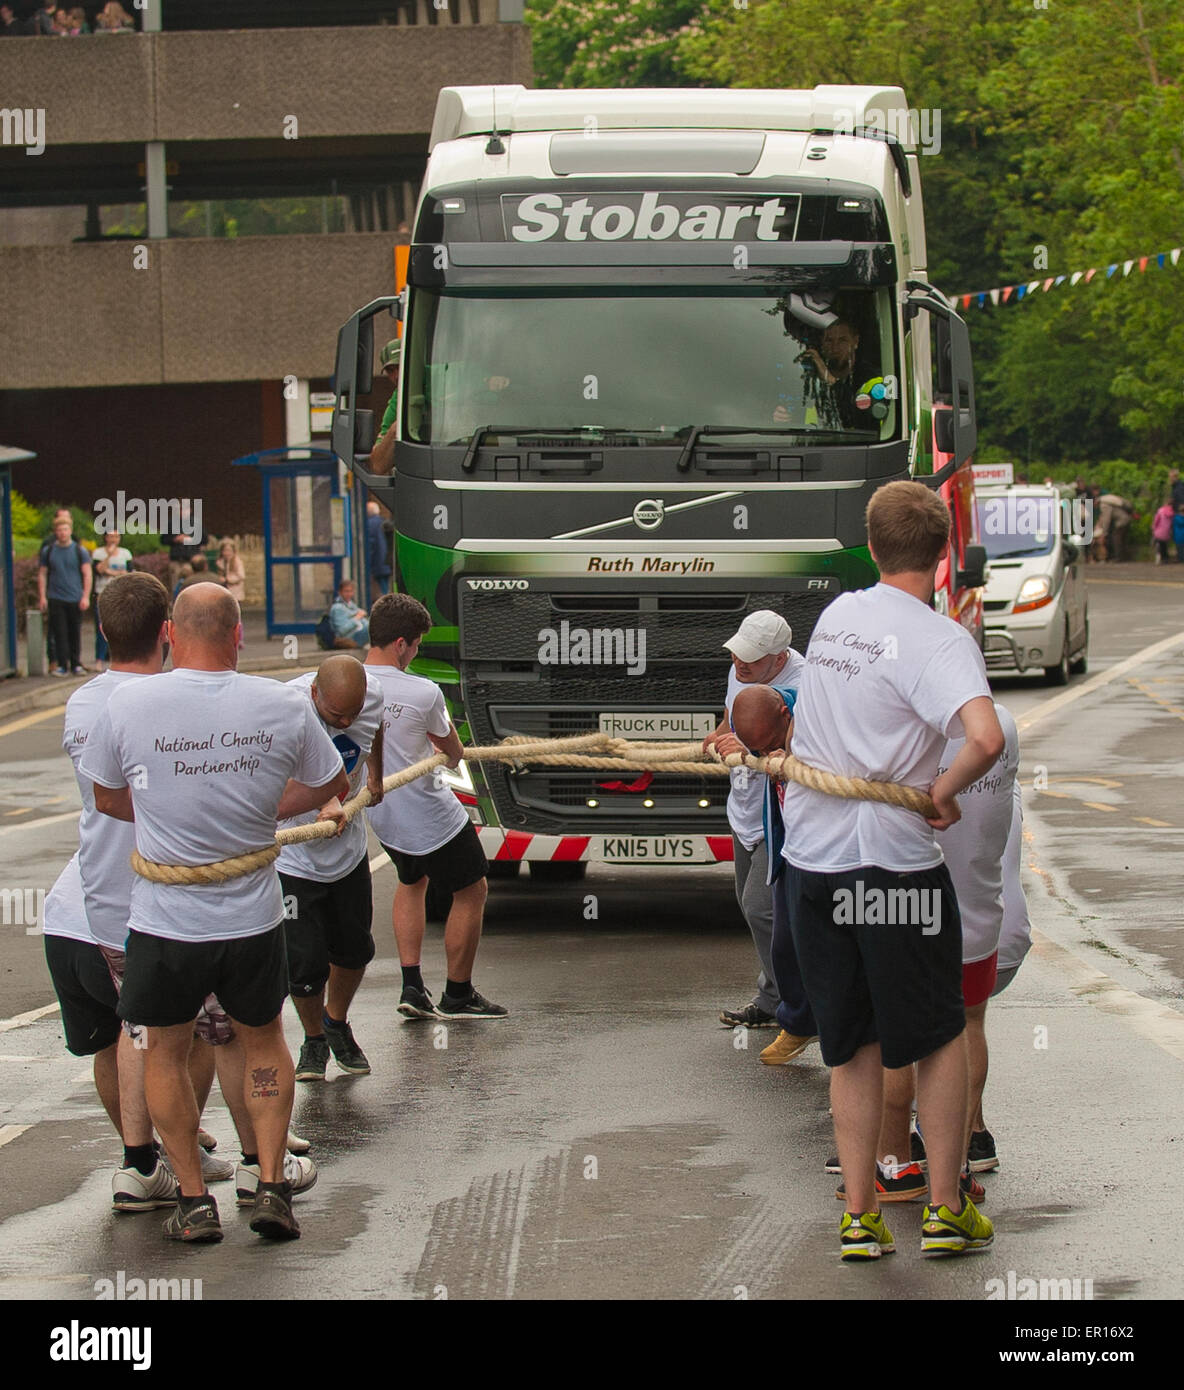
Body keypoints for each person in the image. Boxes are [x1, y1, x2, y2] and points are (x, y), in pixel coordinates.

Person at [80, 583, 349, 1243]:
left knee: (164, 1052)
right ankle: (273, 1187)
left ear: (172, 634)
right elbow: (330, 786)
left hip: (165, 922)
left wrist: (178, 814)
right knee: (263, 1043)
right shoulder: (280, 705)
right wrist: (260, 814)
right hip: (251, 919)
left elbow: (108, 799)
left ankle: (194, 1201)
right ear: (236, 636)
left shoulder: (128, 703)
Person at [779, 479, 1004, 1261]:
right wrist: (941, 795)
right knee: (939, 1035)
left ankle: (860, 1217)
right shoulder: (941, 640)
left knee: (851, 1044)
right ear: (944, 556)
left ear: (870, 547)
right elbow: (986, 735)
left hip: (812, 863)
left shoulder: (839, 616)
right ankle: (944, 1209)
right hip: (894, 872)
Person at [63, 572, 264, 1212]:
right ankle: (173, 1165)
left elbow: (105, 798)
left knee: (131, 1036)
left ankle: (168, 1153)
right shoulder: (159, 705)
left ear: (101, 631)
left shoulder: (84, 703)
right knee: (194, 1037)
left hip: (92, 901)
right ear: (168, 636)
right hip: (163, 905)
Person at [873, 702, 1020, 1208]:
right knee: (967, 1029)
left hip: (908, 907)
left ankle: (894, 1164)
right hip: (979, 912)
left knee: (892, 1036)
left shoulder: (904, 732)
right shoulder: (1003, 726)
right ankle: (960, 1162)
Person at [365, 592, 507, 1019]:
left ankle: (412, 988)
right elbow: (453, 751)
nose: (416, 653)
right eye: (417, 645)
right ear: (402, 644)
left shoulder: (345, 681)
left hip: (382, 812)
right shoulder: (422, 691)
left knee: (411, 883)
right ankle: (458, 993)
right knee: (473, 888)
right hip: (429, 813)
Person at [277, 656, 385, 1082]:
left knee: (355, 950)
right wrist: (324, 799)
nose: (345, 722)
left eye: (352, 714)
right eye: (336, 715)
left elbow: (376, 728)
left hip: (348, 851)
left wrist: (375, 773)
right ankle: (313, 1038)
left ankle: (336, 1021)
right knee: (303, 966)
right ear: (314, 693)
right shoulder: (287, 709)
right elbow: (274, 786)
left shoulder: (371, 695)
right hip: (296, 856)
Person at [701, 611, 803, 1031]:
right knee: (748, 902)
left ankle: (793, 1000)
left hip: (780, 809)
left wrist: (772, 755)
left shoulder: (804, 685)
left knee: (761, 907)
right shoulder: (739, 669)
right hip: (743, 805)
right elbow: (731, 717)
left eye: (752, 659)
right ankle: (777, 996)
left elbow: (799, 748)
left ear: (779, 659)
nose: (740, 664)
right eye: (737, 654)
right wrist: (718, 735)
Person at [726, 683, 819, 1067]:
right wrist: (731, 744)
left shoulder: (817, 718)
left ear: (786, 716)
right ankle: (798, 1022)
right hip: (790, 845)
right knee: (783, 943)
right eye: (757, 749)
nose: (765, 754)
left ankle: (848, 1044)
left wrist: (797, 756)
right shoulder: (769, 706)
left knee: (831, 947)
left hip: (830, 850)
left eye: (768, 744)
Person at [38, 515, 92, 675]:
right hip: (56, 597)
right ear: (55, 532)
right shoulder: (48, 551)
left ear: (70, 531)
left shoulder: (79, 550)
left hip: (75, 596)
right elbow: (42, 573)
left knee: (74, 631)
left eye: (65, 529)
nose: (62, 533)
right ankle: (62, 664)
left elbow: (87, 573)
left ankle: (76, 663)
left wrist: (85, 596)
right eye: (60, 530)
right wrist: (42, 596)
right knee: (59, 632)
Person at [92, 530, 133, 671]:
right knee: (102, 628)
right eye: (110, 536)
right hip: (102, 593)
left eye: (116, 536)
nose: (113, 539)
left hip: (121, 593)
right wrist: (109, 555)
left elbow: (130, 572)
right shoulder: (98, 553)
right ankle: (99, 659)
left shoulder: (125, 553)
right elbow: (98, 570)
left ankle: (122, 659)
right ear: (105, 537)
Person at [370, 339, 401, 477]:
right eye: (390, 370)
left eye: (401, 366)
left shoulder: (440, 378)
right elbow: (378, 465)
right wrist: (397, 428)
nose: (397, 376)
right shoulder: (397, 399)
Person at [329, 578, 369, 648]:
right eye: (346, 591)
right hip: (349, 638)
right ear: (340, 592)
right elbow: (342, 630)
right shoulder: (337, 608)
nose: (349, 594)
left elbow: (362, 617)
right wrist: (357, 618)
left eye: (351, 591)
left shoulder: (350, 604)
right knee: (372, 628)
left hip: (359, 632)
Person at [366, 500, 391, 603]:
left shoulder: (369, 524)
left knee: (381, 589)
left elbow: (370, 544)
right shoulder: (384, 522)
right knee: (385, 587)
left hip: (377, 562)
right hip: (386, 562)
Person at [1098, 491, 1132, 563]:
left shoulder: (1104, 505)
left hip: (1122, 522)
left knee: (1116, 538)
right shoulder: (1109, 502)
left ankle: (1118, 558)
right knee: (1122, 539)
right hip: (1126, 519)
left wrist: (1104, 533)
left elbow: (1107, 519)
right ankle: (1124, 557)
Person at [1152, 499, 1174, 564]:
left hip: (1158, 532)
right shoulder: (1172, 512)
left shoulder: (1160, 510)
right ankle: (1165, 558)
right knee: (1164, 546)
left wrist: (1153, 527)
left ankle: (1159, 557)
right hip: (1167, 532)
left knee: (1159, 545)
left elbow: (1156, 520)